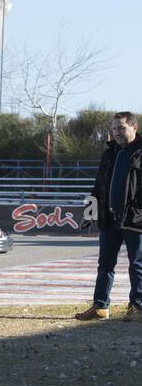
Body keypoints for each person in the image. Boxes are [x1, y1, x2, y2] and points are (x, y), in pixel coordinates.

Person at [76, 111, 141, 321]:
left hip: (135, 220)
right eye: (114, 129)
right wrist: (89, 211)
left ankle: (137, 307)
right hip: (109, 219)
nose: (117, 133)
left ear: (134, 127)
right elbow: (98, 185)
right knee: (105, 264)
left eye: (121, 128)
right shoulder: (110, 153)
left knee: (137, 264)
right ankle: (100, 307)